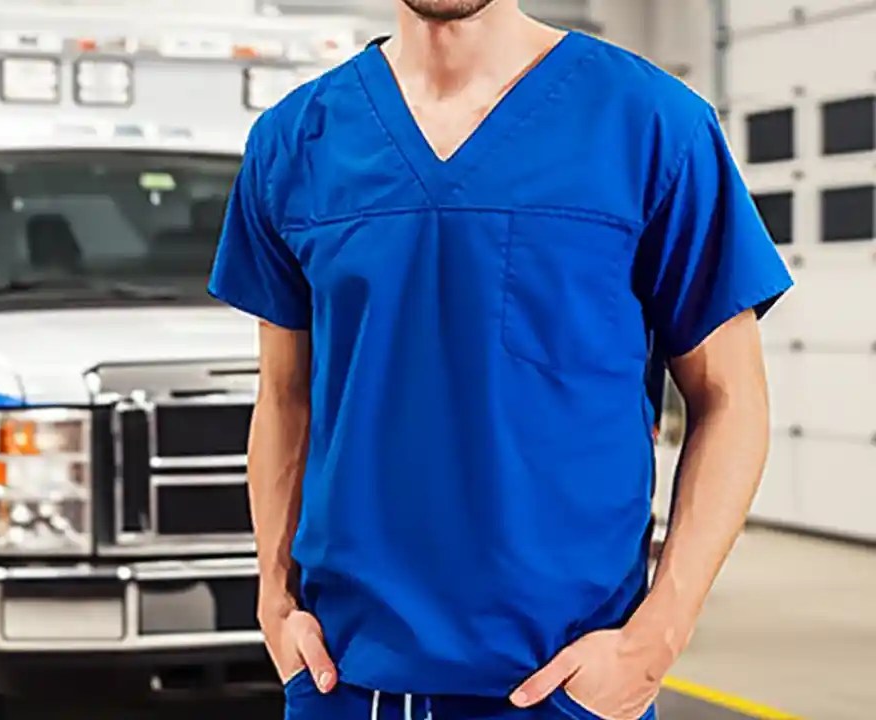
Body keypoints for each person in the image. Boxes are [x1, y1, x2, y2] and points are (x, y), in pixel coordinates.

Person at [206, 1, 794, 718]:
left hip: (564, 687)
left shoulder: (650, 123)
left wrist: (657, 637)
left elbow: (731, 399)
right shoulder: (296, 140)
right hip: (346, 683)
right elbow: (285, 395)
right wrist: (273, 598)